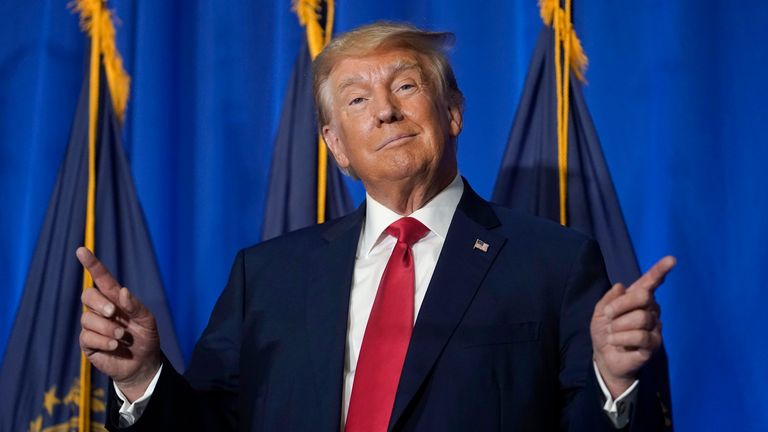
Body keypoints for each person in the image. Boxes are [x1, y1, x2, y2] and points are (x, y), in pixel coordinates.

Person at [78, 22, 675, 431]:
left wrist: (613, 382)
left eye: (406, 86)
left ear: (454, 112)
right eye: (357, 100)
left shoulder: (555, 263)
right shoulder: (266, 275)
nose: (386, 109)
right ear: (336, 146)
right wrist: (141, 377)